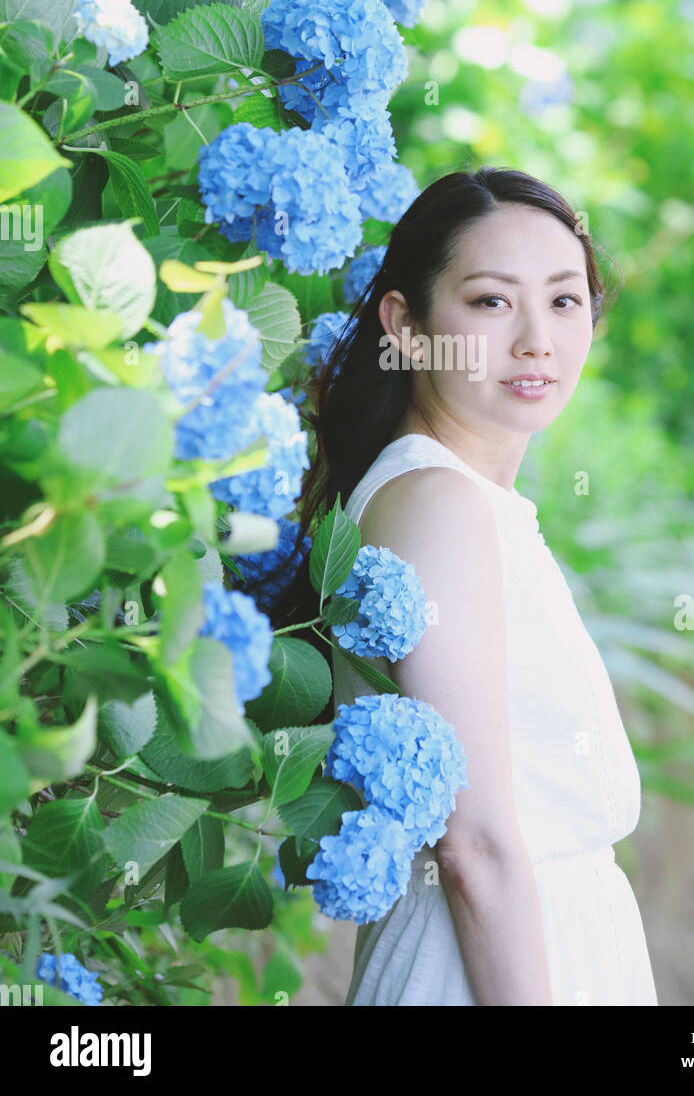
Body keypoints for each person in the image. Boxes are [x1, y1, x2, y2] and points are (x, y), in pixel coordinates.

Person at [282, 166, 659, 1006]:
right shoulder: (438, 505)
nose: (537, 339)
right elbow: (475, 847)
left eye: (564, 301)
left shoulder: (466, 500)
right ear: (407, 328)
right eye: (491, 301)